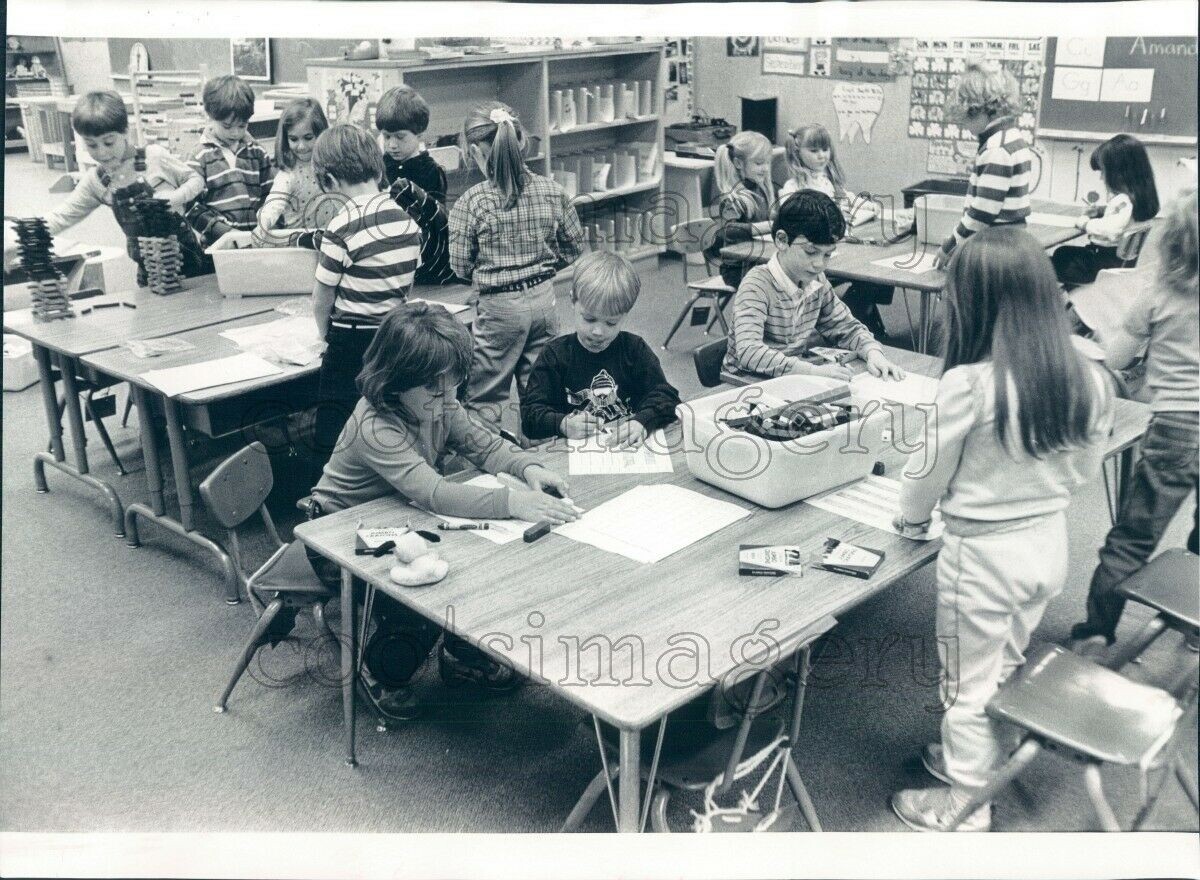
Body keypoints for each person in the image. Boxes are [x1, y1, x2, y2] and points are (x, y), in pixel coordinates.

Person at [890, 226, 1116, 832]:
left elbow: (925, 474)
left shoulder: (968, 385)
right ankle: (985, 759)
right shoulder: (1091, 373)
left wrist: (912, 520)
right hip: (1049, 544)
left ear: (971, 302)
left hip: (983, 558)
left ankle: (965, 809)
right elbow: (1087, 468)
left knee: (965, 686)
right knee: (1006, 663)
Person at [306, 302, 580, 717]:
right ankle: (378, 671)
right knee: (426, 598)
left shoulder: (437, 401)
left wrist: (528, 467)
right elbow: (435, 493)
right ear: (394, 383)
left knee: (477, 567)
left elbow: (484, 446)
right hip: (336, 537)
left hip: (397, 517)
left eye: (454, 388)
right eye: (436, 391)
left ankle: (459, 652)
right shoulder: (373, 426)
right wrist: (515, 502)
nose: (449, 400)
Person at [1069, 189, 1199, 653]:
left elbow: (1117, 359)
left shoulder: (1158, 296)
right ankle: (1194, 626)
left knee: (1131, 540)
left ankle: (1097, 631)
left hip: (1176, 428)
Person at [449, 101, 585, 431]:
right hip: (544, 299)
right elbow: (574, 247)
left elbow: (459, 265)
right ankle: (544, 449)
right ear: (520, 140)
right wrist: (541, 270)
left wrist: (487, 275)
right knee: (542, 389)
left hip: (499, 308)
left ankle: (484, 455)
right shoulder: (553, 190)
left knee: (485, 395)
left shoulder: (471, 202)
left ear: (475, 152)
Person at [310, 124, 421, 459]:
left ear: (329, 180)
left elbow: (322, 298)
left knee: (335, 426)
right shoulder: (406, 221)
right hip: (394, 335)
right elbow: (406, 284)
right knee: (386, 422)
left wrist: (325, 335)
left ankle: (329, 483)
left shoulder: (341, 226)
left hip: (350, 342)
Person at [722, 189, 905, 381]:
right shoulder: (756, 285)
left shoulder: (817, 280)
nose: (819, 264)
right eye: (810, 252)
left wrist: (872, 352)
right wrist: (811, 372)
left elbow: (846, 326)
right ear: (782, 240)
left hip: (790, 375)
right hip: (745, 381)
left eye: (827, 254)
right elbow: (749, 352)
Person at [35, 91, 209, 286]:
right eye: (92, 145)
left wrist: (175, 197)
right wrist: (23, 236)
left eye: (109, 142)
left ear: (126, 131)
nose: (102, 153)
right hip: (150, 272)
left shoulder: (154, 157)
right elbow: (62, 216)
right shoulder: (97, 181)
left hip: (191, 264)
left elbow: (195, 179)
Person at [521, 251, 681, 446]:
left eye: (611, 323)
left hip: (627, 448)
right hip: (576, 454)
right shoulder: (554, 356)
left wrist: (642, 421)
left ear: (625, 314)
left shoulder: (634, 350)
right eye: (589, 319)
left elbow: (667, 396)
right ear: (573, 300)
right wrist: (562, 424)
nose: (598, 332)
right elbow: (530, 416)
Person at [781, 122, 891, 337]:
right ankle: (850, 316)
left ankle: (858, 311)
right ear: (797, 153)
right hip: (812, 256)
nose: (822, 155)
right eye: (814, 150)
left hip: (836, 248)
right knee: (867, 274)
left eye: (825, 149)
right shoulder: (793, 187)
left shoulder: (828, 181)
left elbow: (845, 198)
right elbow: (791, 219)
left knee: (877, 269)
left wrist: (866, 205)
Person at [934, 60, 1032, 269]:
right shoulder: (1014, 138)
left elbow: (982, 212)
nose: (965, 125)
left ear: (981, 110)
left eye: (966, 117)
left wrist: (951, 245)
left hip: (995, 249)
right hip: (1012, 242)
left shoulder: (996, 149)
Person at [1052, 134, 1161, 289]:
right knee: (1062, 253)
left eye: (1103, 172)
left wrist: (1085, 223)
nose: (1101, 178)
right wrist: (1101, 211)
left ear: (1120, 173)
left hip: (1101, 266)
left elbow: (1110, 230)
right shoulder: (1140, 198)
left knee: (1059, 257)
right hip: (1118, 265)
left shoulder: (1123, 200)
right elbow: (1124, 219)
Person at [375, 86, 458, 285]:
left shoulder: (431, 171)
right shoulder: (380, 166)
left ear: (420, 134)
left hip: (421, 258)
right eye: (386, 136)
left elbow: (435, 222)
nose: (392, 144)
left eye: (400, 137)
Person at [185, 74, 275, 247]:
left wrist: (268, 228)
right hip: (219, 245)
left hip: (256, 244)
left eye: (242, 126)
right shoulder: (199, 157)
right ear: (210, 117)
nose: (235, 133)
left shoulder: (257, 152)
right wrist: (224, 232)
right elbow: (191, 208)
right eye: (227, 126)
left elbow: (270, 197)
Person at [254, 98, 338, 239]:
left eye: (308, 138)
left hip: (331, 239)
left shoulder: (332, 165)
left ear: (321, 133)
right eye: (293, 139)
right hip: (298, 242)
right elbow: (274, 204)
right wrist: (264, 222)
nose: (301, 146)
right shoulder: (289, 174)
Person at [706, 130, 777, 291]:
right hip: (738, 270)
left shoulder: (761, 190)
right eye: (759, 163)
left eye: (767, 163)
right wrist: (765, 226)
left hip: (758, 262)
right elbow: (729, 230)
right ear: (738, 164)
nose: (765, 168)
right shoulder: (732, 199)